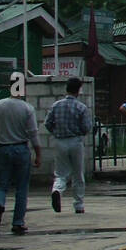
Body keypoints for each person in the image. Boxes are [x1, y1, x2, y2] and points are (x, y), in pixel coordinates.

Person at [0, 91, 41, 234]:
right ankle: (18, 223)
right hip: (21, 149)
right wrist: (38, 154)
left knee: (1, 184)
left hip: (3, 149)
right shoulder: (27, 108)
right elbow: (33, 133)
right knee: (21, 187)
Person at [45, 77, 93, 215]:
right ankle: (78, 205)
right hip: (75, 141)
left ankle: (57, 190)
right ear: (78, 90)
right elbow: (86, 127)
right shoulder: (81, 107)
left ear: (66, 89)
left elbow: (48, 123)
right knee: (78, 174)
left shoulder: (56, 105)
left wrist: (56, 132)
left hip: (60, 141)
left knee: (60, 173)